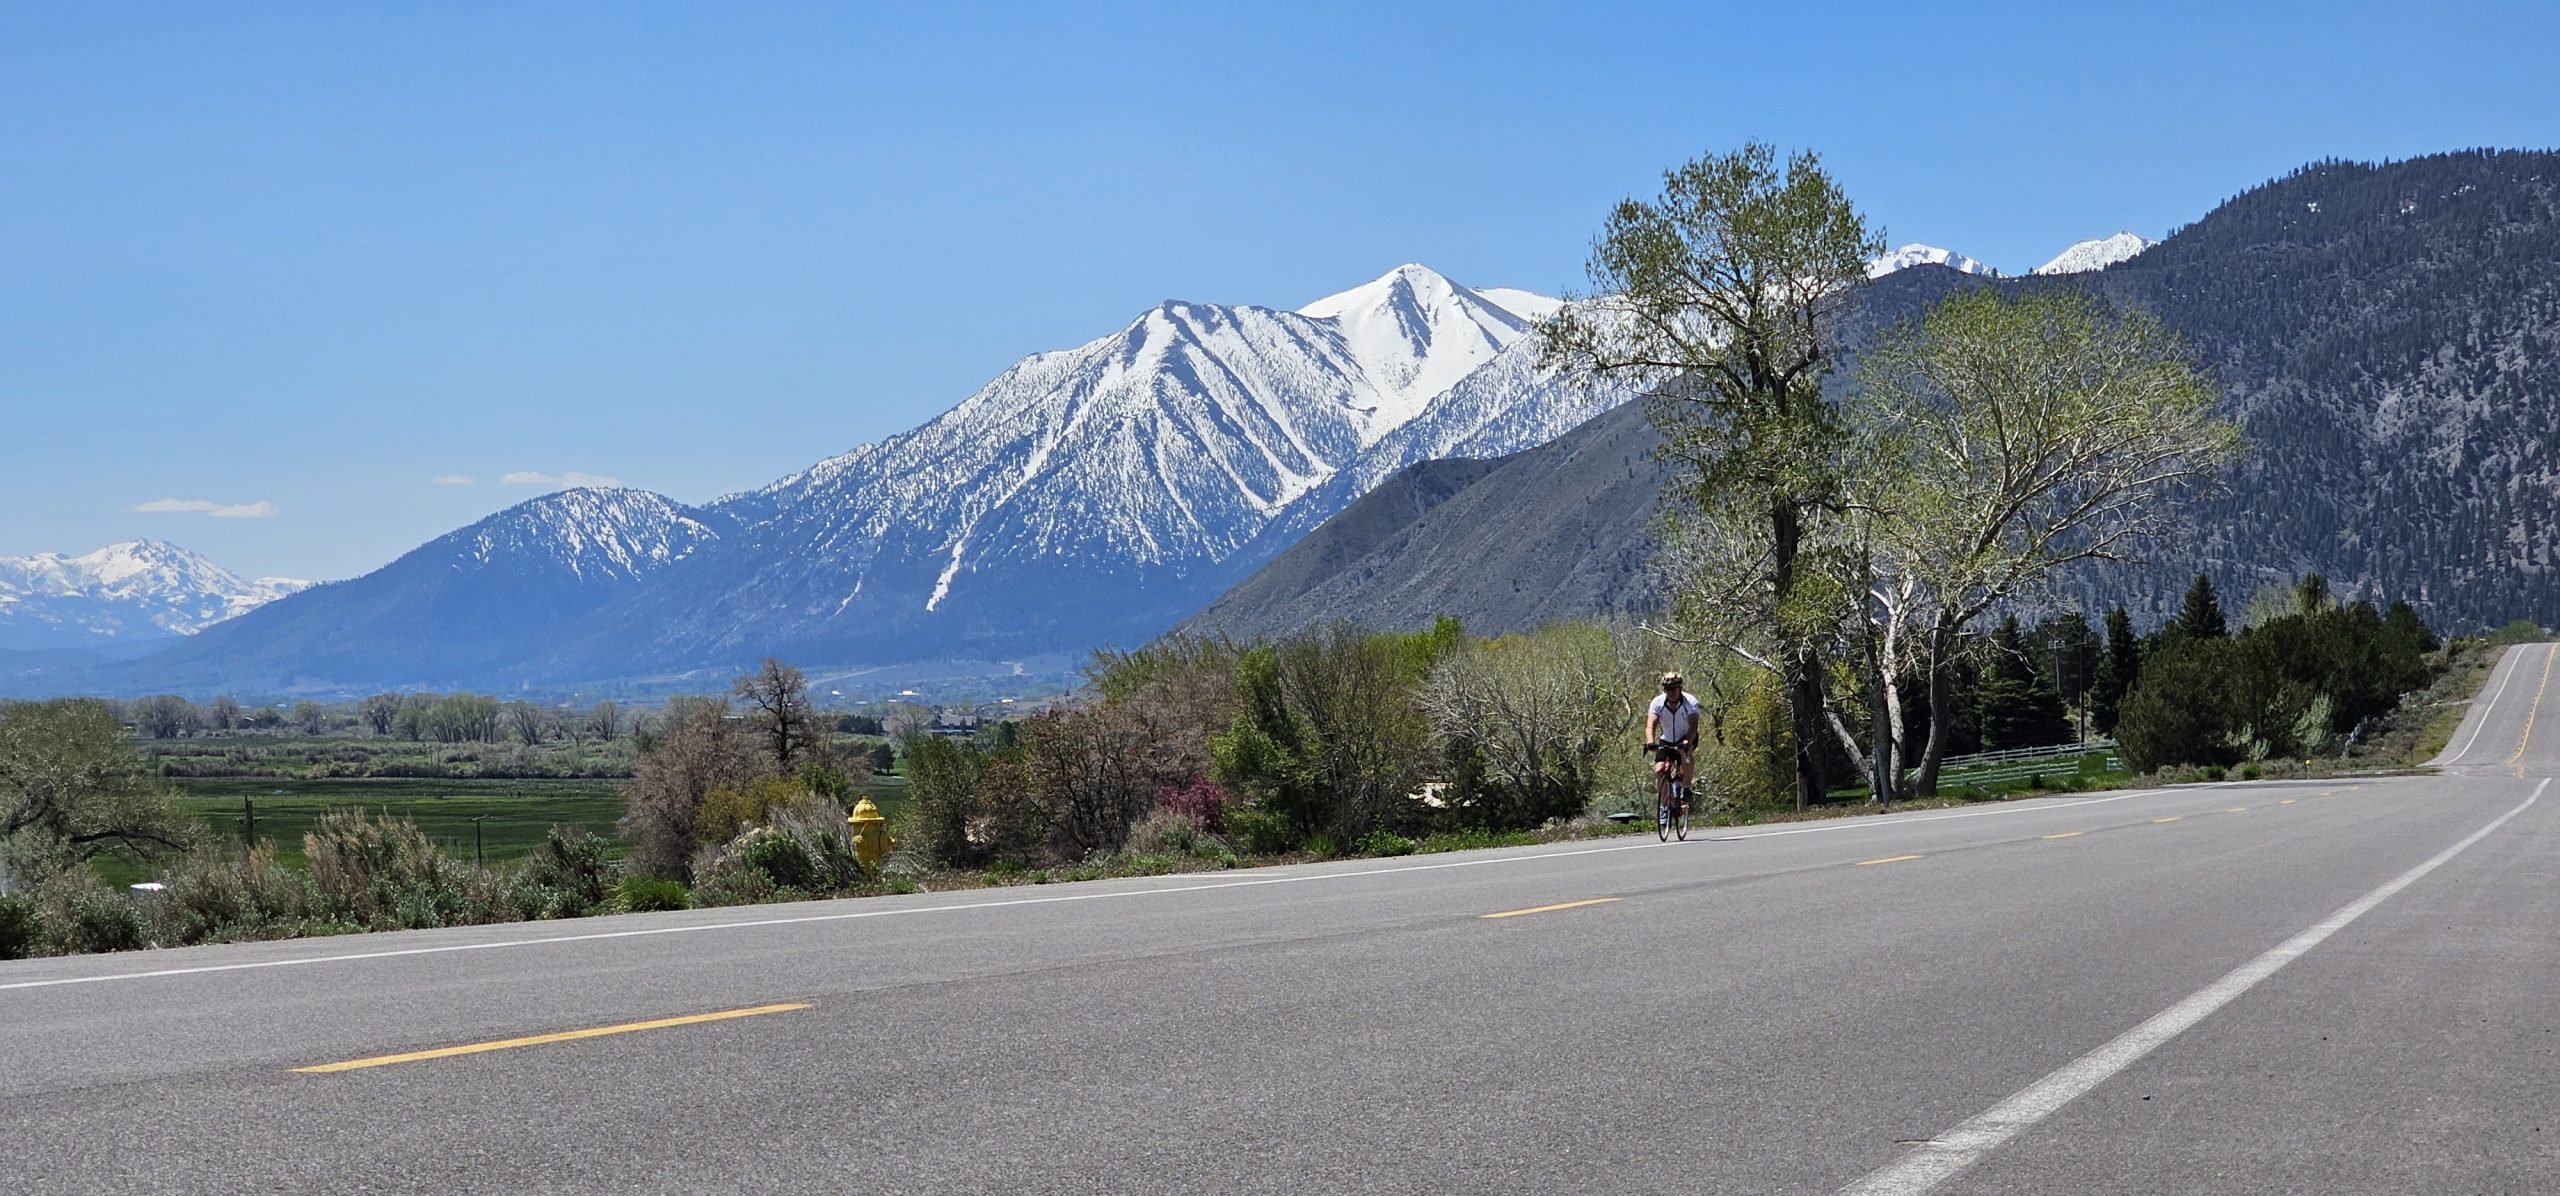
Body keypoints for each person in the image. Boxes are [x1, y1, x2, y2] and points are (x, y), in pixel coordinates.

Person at [1644, 671, 1701, 803]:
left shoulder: (1690, 702)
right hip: (1667, 738)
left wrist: (1687, 741)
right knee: (1659, 770)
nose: (1670, 692)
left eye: (1673, 688)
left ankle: (1686, 787)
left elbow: (1693, 726)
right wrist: (1650, 741)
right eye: (1667, 688)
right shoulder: (1657, 702)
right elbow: (1650, 725)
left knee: (1685, 753)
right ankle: (1665, 806)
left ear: (1680, 688)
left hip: (1687, 736)